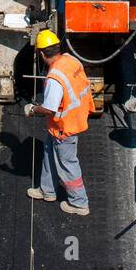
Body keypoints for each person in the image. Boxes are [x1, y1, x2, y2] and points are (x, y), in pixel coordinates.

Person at [25, 30, 93, 216]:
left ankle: (79, 203)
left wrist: (32, 109)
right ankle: (47, 190)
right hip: (72, 119)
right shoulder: (71, 60)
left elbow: (49, 109)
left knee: (67, 164)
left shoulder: (54, 77)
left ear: (41, 53)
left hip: (66, 126)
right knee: (48, 152)